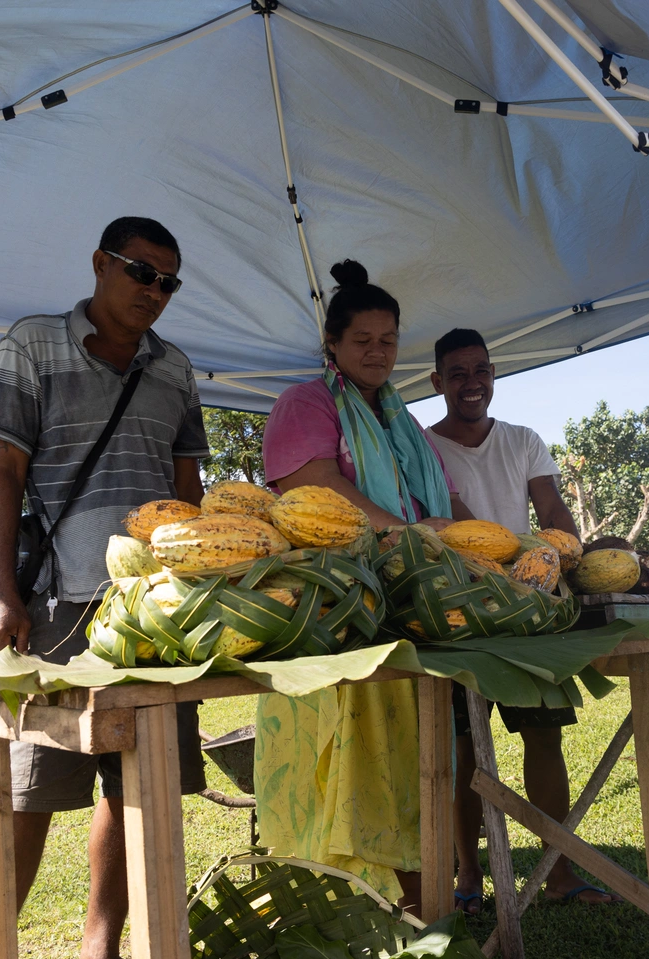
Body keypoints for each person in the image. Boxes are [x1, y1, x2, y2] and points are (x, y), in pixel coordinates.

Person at [0, 217, 210, 959]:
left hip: (157, 611)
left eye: (169, 282)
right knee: (29, 788)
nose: (155, 292)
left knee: (139, 785)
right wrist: (0, 591)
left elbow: (188, 489)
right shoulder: (33, 344)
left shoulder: (174, 369)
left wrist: (203, 585)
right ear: (102, 262)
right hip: (57, 605)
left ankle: (98, 957)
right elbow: (2, 468)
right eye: (142, 272)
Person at [254, 260, 473, 914]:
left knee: (412, 769)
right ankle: (356, 910)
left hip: (409, 613)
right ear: (334, 345)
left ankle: (417, 911)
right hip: (338, 615)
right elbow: (318, 494)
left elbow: (450, 508)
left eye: (387, 340)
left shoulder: (403, 421)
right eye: (362, 341)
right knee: (352, 770)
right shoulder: (307, 403)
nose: (377, 352)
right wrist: (415, 535)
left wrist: (487, 552)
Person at [424, 327, 616, 911]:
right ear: (437, 382)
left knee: (543, 735)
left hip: (532, 610)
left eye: (480, 371)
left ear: (492, 375)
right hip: (457, 609)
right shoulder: (426, 447)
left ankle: (558, 872)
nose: (471, 384)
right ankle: (467, 877)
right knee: (460, 749)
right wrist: (500, 567)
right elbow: (454, 519)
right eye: (457, 374)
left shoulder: (523, 440)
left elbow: (552, 507)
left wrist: (568, 554)